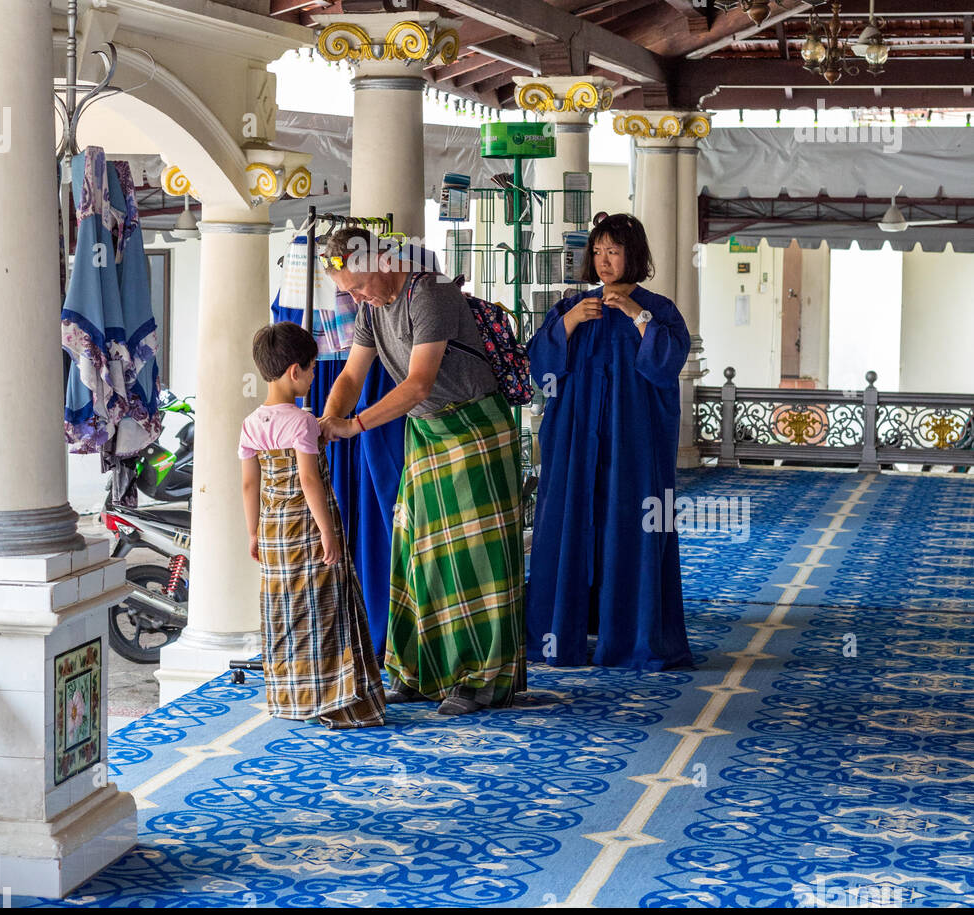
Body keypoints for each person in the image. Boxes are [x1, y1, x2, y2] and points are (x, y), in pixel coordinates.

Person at [318, 227, 526, 717]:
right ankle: (418, 671)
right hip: (428, 434)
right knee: (416, 555)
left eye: (359, 284)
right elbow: (351, 375)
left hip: (474, 429)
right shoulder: (371, 307)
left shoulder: (431, 293)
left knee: (479, 560)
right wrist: (330, 417)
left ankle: (481, 680)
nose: (356, 296)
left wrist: (356, 425)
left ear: (384, 260)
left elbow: (417, 383)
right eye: (347, 290)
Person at [526, 213, 694, 671]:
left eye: (613, 251)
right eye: (597, 251)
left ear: (632, 255)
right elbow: (539, 369)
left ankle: (633, 638)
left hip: (632, 443)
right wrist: (569, 325)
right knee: (568, 522)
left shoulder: (658, 309)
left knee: (630, 525)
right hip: (575, 440)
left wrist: (637, 317)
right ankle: (560, 634)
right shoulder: (572, 307)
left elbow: (666, 364)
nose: (603, 261)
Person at [239, 321, 386, 729]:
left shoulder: (251, 423)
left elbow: (250, 483)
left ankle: (292, 697)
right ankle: (334, 698)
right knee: (324, 612)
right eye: (313, 367)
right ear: (294, 372)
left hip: (271, 532)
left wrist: (253, 532)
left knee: (284, 615)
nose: (316, 373)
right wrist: (326, 531)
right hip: (305, 531)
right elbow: (309, 481)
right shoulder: (301, 422)